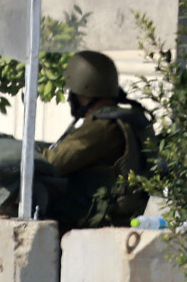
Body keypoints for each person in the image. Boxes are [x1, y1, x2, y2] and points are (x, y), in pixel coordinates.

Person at [42, 51, 155, 230]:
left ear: (84, 92)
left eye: (74, 92)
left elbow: (52, 162)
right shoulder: (127, 119)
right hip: (122, 217)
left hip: (95, 220)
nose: (71, 98)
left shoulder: (103, 127)